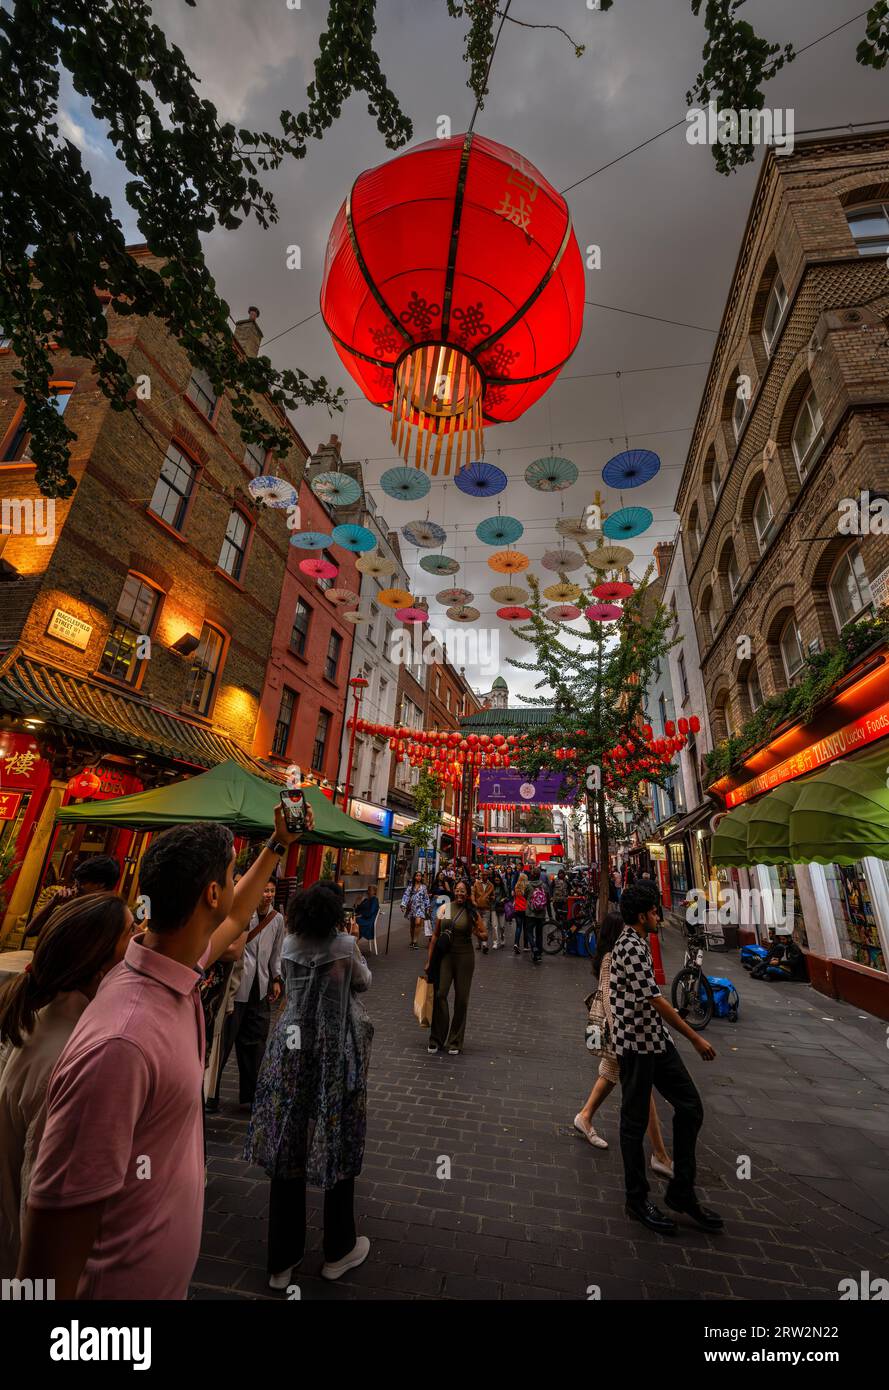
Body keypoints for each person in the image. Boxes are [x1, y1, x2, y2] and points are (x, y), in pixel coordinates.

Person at [17, 803, 311, 1299]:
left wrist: (279, 843)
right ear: (209, 893)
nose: (239, 887)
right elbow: (50, 1242)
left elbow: (239, 914)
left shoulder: (175, 960)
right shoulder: (121, 1042)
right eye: (232, 874)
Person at [245, 883, 373, 1287]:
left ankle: (281, 1261)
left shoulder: (291, 943)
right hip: (335, 1048)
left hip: (291, 1046)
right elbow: (363, 982)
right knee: (337, 1135)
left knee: (287, 1141)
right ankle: (338, 1249)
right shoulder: (345, 945)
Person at [0, 894, 134, 1276]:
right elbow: (41, 1202)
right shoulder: (71, 1057)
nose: (140, 939)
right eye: (130, 932)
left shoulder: (43, 1020)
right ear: (96, 962)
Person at [611, 883, 722, 1236]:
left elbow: (650, 997)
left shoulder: (640, 942)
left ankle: (681, 1192)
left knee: (690, 1107)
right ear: (643, 916)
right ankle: (636, 1199)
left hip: (656, 1040)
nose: (659, 916)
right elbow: (654, 999)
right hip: (635, 1046)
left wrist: (669, 1015)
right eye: (656, 911)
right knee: (633, 1122)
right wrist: (696, 1037)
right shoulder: (629, 945)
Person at [573, 910, 673, 1175]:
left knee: (609, 1075)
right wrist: (621, 1032)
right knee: (644, 1091)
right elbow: (608, 997)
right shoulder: (610, 958)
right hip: (624, 1033)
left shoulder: (615, 954)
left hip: (628, 1031)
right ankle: (660, 1155)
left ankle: (584, 1117)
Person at [215, 880, 285, 1108]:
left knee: (255, 1041)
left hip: (260, 985)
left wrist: (276, 978)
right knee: (225, 1040)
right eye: (265, 889)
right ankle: (210, 1093)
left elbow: (277, 951)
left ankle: (251, 1093)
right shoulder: (243, 916)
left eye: (272, 891)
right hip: (237, 985)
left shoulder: (277, 919)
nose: (268, 895)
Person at [425, 880, 486, 1055]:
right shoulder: (445, 908)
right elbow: (435, 936)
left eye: (463, 891)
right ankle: (436, 1038)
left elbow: (484, 935)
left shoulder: (472, 912)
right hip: (445, 957)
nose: (459, 893)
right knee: (440, 994)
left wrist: (476, 932)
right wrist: (429, 961)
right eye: (457, 890)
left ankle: (455, 1040)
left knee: (461, 1000)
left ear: (467, 893)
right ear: (454, 891)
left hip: (464, 958)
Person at [23, 855, 121, 941]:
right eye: (75, 882)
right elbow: (30, 931)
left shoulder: (109, 914)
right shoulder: (74, 904)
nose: (74, 888)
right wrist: (53, 903)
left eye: (81, 883)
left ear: (100, 884)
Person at [524, 867, 549, 964]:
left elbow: (524, 896)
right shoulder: (544, 886)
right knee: (539, 933)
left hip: (530, 913)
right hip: (541, 913)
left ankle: (533, 947)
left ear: (532, 875)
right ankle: (538, 954)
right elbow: (547, 898)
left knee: (529, 932)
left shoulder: (528, 885)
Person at [401, 872, 430, 951]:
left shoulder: (424, 887)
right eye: (417, 876)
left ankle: (415, 941)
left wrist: (427, 907)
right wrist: (403, 905)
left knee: (418, 922)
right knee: (412, 925)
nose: (418, 877)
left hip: (420, 907)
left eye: (420, 876)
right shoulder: (410, 886)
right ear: (414, 877)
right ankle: (412, 940)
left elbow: (426, 897)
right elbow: (406, 895)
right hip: (412, 907)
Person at [471, 869, 493, 954]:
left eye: (486, 875)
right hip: (477, 908)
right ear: (481, 875)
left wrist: (491, 898)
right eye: (483, 875)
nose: (484, 876)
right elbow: (473, 893)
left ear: (488, 876)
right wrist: (473, 901)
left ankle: (484, 944)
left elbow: (493, 895)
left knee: (485, 926)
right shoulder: (476, 884)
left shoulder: (491, 885)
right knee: (478, 926)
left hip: (486, 908)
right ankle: (479, 942)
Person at [490, 869, 508, 949]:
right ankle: (495, 942)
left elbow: (507, 896)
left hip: (501, 907)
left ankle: (503, 938)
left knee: (502, 926)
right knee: (494, 926)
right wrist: (491, 897)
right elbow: (488, 896)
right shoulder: (491, 887)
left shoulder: (503, 887)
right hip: (493, 908)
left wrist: (503, 899)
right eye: (495, 880)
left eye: (498, 880)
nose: (497, 881)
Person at [512, 871, 529, 953]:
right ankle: (526, 946)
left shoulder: (516, 886)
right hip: (525, 909)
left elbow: (514, 897)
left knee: (518, 927)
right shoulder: (527, 887)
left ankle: (516, 943)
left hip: (517, 909)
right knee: (525, 928)